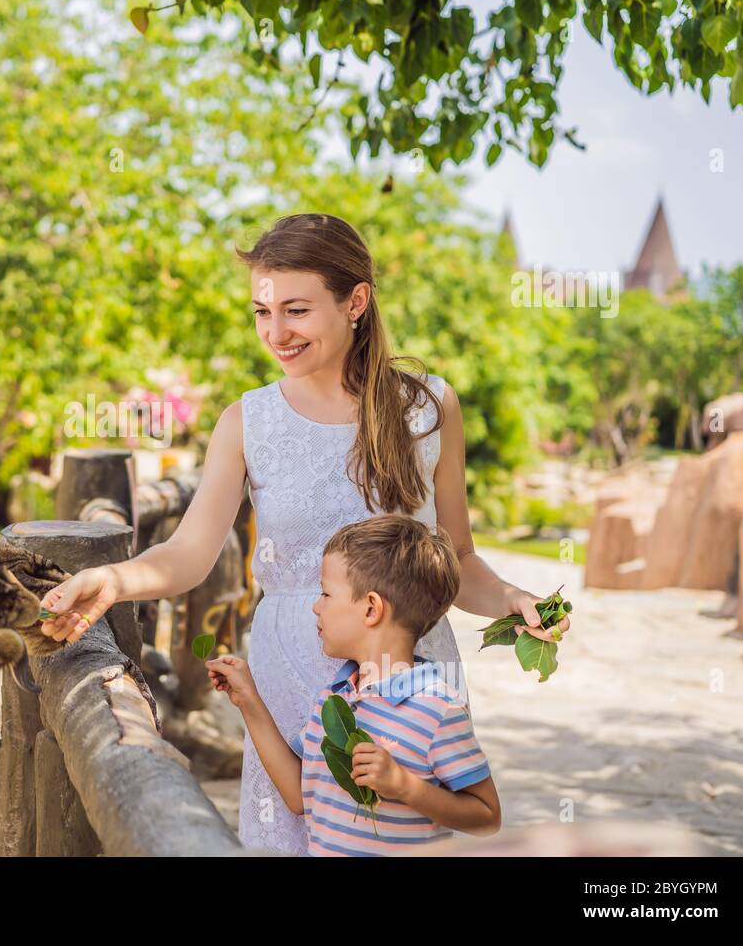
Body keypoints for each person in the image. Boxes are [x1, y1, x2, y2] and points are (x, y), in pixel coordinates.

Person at [38, 213, 567, 853]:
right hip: (290, 671)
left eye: (296, 310)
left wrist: (514, 600)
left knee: (403, 832)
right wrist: (114, 579)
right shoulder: (247, 420)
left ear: (356, 302)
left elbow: (457, 559)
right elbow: (188, 552)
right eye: (262, 312)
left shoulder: (428, 408)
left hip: (408, 671)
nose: (276, 333)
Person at [206, 514, 500, 855]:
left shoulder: (437, 708)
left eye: (326, 594)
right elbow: (299, 796)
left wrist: (405, 786)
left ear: (371, 608)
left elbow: (488, 816)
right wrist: (249, 701)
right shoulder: (335, 701)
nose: (316, 607)